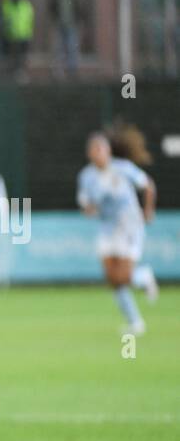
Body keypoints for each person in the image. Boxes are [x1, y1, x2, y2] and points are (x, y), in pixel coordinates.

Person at [77, 131, 157, 334]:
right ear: (89, 154)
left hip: (129, 226)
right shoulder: (86, 177)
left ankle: (143, 277)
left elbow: (148, 185)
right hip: (107, 228)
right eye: (93, 150)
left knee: (123, 276)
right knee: (112, 279)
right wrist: (90, 209)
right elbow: (86, 205)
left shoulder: (122, 169)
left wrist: (148, 210)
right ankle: (135, 323)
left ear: (108, 150)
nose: (97, 154)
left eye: (100, 149)